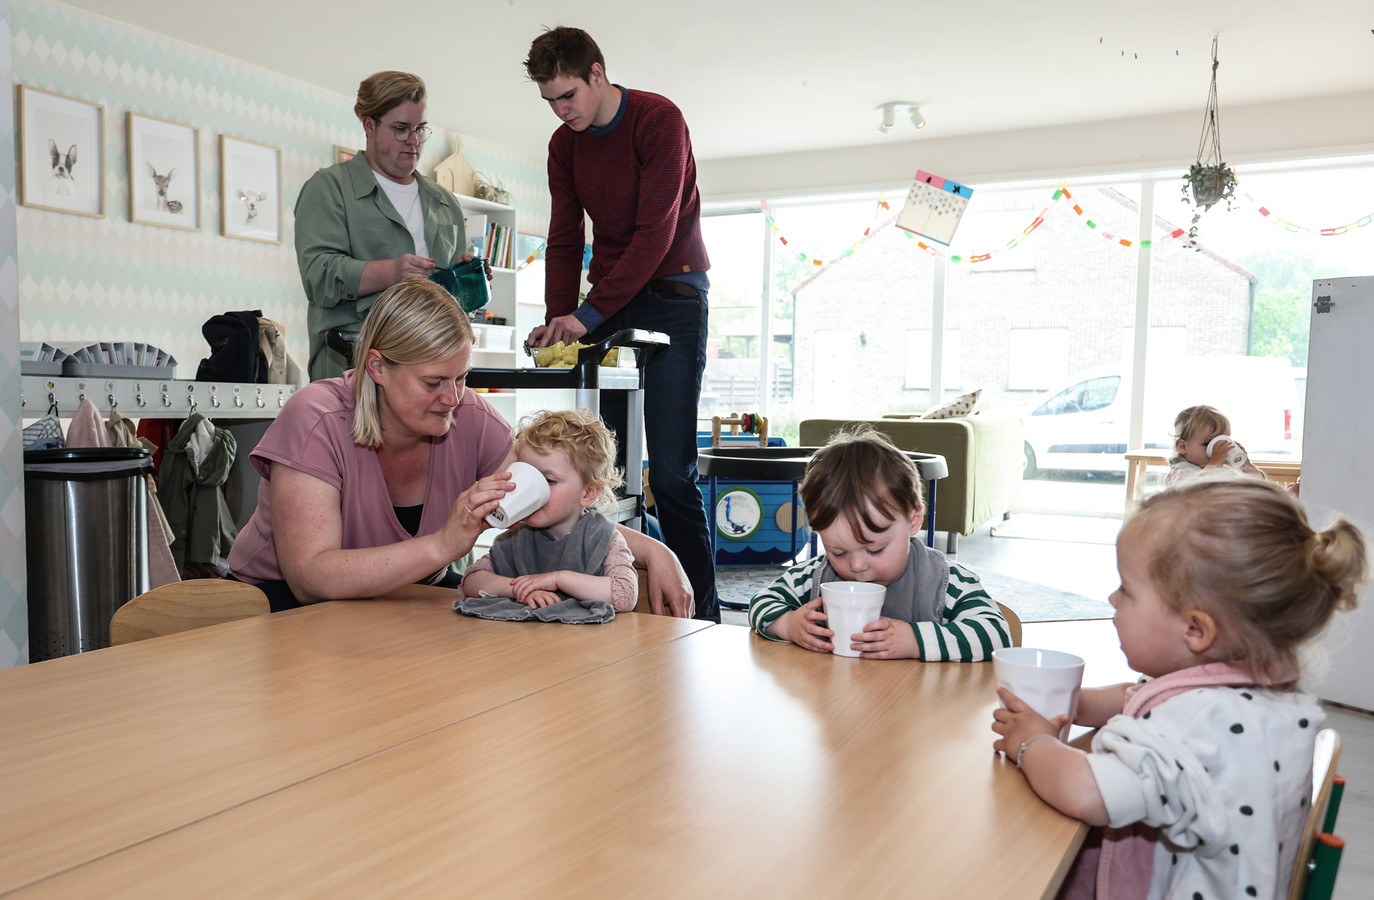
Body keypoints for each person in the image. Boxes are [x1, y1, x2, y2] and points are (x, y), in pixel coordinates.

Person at [991, 478, 1367, 900]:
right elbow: (1148, 698)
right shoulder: (1253, 689)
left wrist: (1032, 742)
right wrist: (1079, 703)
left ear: (1195, 629)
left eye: (1127, 589)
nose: (1112, 598)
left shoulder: (1202, 727)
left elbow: (1088, 792)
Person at [227, 279, 695, 616]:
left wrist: (656, 552)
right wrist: (443, 546)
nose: (453, 398)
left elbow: (555, 504)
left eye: (461, 377)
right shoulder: (316, 418)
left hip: (404, 600)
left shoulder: (472, 420)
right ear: (377, 368)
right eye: (433, 382)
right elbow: (312, 578)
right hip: (276, 606)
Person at [522, 27, 719, 623]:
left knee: (671, 469)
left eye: (568, 96)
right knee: (596, 476)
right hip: (609, 302)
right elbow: (564, 237)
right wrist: (560, 317)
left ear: (597, 73)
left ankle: (702, 615)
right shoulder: (565, 145)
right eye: (550, 101)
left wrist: (584, 315)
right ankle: (610, 602)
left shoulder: (660, 120)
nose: (562, 111)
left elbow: (655, 233)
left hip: (673, 294)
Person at [748, 430, 1012, 660]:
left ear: (913, 521)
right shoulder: (817, 576)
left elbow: (996, 633)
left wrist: (915, 641)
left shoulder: (944, 581)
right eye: (838, 552)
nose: (857, 566)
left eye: (875, 549)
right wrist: (788, 624)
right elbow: (760, 603)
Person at [295, 70, 470, 381]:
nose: (414, 142)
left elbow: (453, 303)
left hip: (430, 370)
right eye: (401, 129)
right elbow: (318, 278)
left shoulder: (445, 203)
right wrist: (391, 273)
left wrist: (466, 277)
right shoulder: (329, 187)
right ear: (369, 125)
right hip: (351, 367)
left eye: (420, 129)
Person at [462, 410, 637, 610]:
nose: (530, 490)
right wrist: (520, 589)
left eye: (548, 481)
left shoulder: (603, 538)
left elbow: (625, 595)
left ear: (587, 493)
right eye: (527, 476)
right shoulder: (516, 537)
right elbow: (471, 580)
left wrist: (559, 579)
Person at [1165, 404, 1267, 487]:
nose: (1216, 450)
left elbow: (1259, 487)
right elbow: (1193, 493)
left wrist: (1247, 466)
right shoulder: (1180, 473)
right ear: (1183, 447)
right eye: (1209, 444)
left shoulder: (1222, 471)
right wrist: (1214, 465)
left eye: (1222, 441)